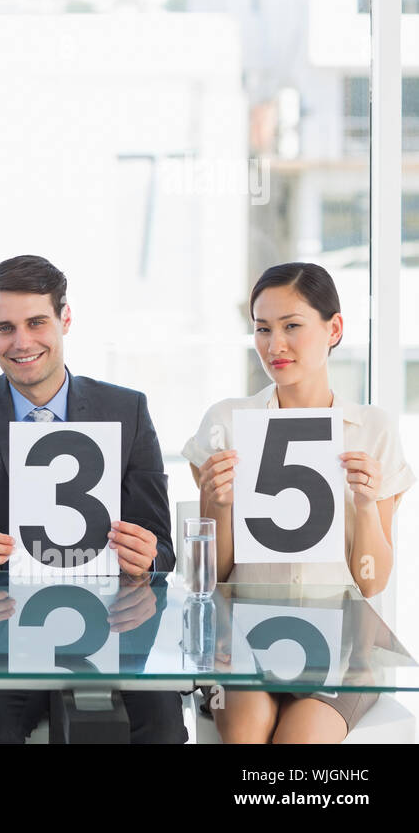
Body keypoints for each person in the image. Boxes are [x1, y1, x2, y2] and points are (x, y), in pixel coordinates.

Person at [0, 254, 184, 743]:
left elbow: (162, 547)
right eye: (4, 328)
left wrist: (148, 557)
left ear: (65, 319)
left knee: (162, 722)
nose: (22, 342)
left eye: (37, 322)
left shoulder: (127, 410)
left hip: (111, 625)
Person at [183, 262, 413, 743]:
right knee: (246, 733)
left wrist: (367, 506)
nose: (274, 345)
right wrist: (216, 506)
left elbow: (371, 583)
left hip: (343, 644)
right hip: (243, 636)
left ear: (334, 329)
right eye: (262, 329)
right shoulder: (227, 422)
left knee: (299, 743)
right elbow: (210, 578)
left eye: (292, 326)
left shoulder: (372, 429)